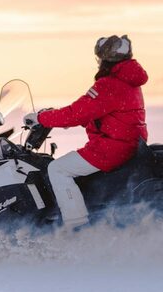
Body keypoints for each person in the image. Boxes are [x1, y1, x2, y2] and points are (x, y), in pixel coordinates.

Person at [23, 35, 148, 229]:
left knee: (57, 169)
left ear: (104, 60)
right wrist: (63, 120)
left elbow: (77, 113)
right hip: (127, 144)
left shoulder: (108, 84)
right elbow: (107, 114)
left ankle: (76, 226)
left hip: (111, 148)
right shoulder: (129, 80)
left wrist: (40, 118)